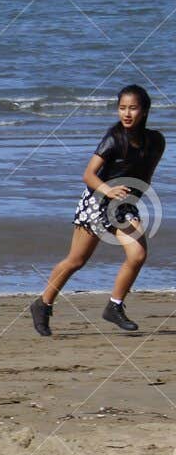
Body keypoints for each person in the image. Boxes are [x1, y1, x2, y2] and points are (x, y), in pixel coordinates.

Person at [30, 84, 165, 336]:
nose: (126, 113)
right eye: (122, 108)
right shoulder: (113, 138)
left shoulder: (156, 141)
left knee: (137, 254)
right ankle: (43, 304)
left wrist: (135, 196)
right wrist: (108, 190)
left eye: (133, 108)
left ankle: (114, 306)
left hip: (124, 206)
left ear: (145, 111)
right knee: (76, 260)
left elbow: (145, 174)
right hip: (97, 201)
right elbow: (89, 175)